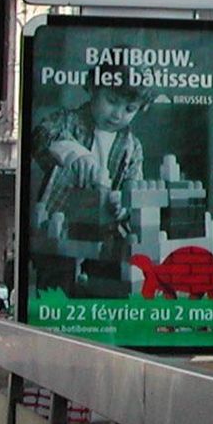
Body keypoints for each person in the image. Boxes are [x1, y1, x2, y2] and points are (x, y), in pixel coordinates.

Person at [27, 74, 152, 297]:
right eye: (111, 101)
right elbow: (41, 135)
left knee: (104, 284)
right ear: (93, 89)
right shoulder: (67, 121)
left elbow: (134, 188)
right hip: (62, 225)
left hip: (104, 233)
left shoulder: (132, 146)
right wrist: (73, 153)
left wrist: (123, 205)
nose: (117, 114)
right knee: (57, 283)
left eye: (129, 109)